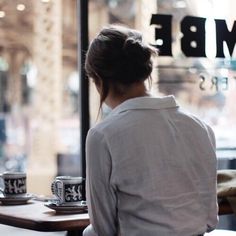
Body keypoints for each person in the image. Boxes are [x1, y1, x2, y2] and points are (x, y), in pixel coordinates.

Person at [83, 24, 218, 236]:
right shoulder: (201, 128)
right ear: (145, 72)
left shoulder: (103, 135)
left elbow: (103, 229)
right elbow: (210, 220)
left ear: (99, 80)